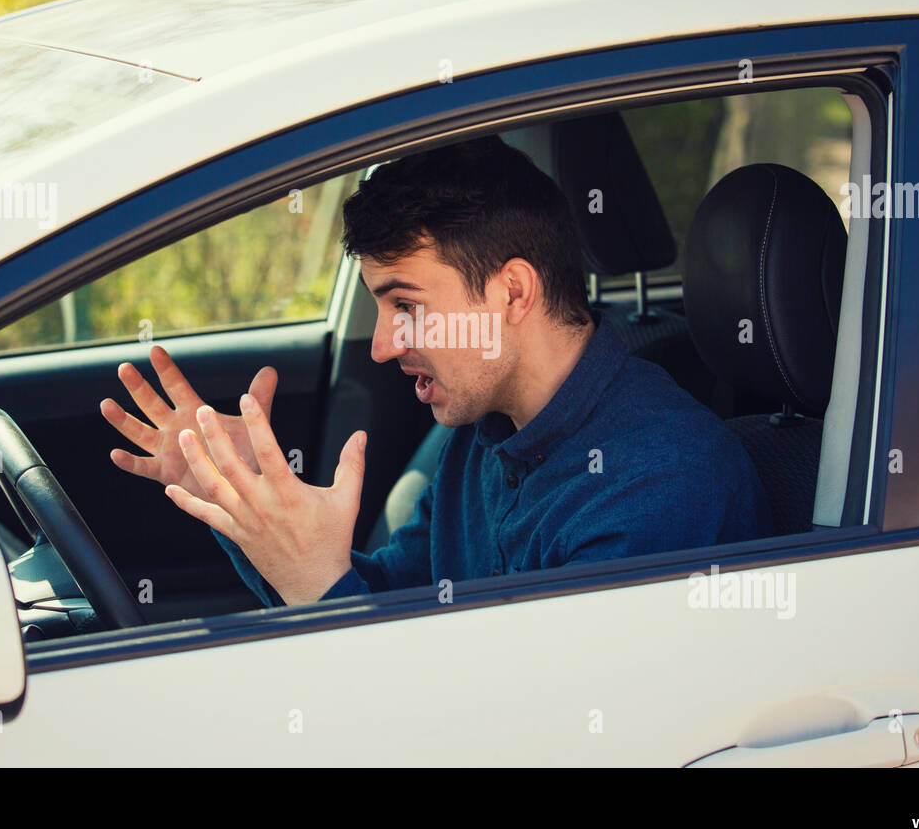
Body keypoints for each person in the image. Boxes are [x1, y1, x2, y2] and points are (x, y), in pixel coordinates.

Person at [101, 136, 771, 608]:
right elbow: (398, 603)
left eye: (406, 305)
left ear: (511, 293)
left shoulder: (659, 488)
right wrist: (239, 497)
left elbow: (517, 732)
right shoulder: (482, 437)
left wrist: (319, 590)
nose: (384, 346)